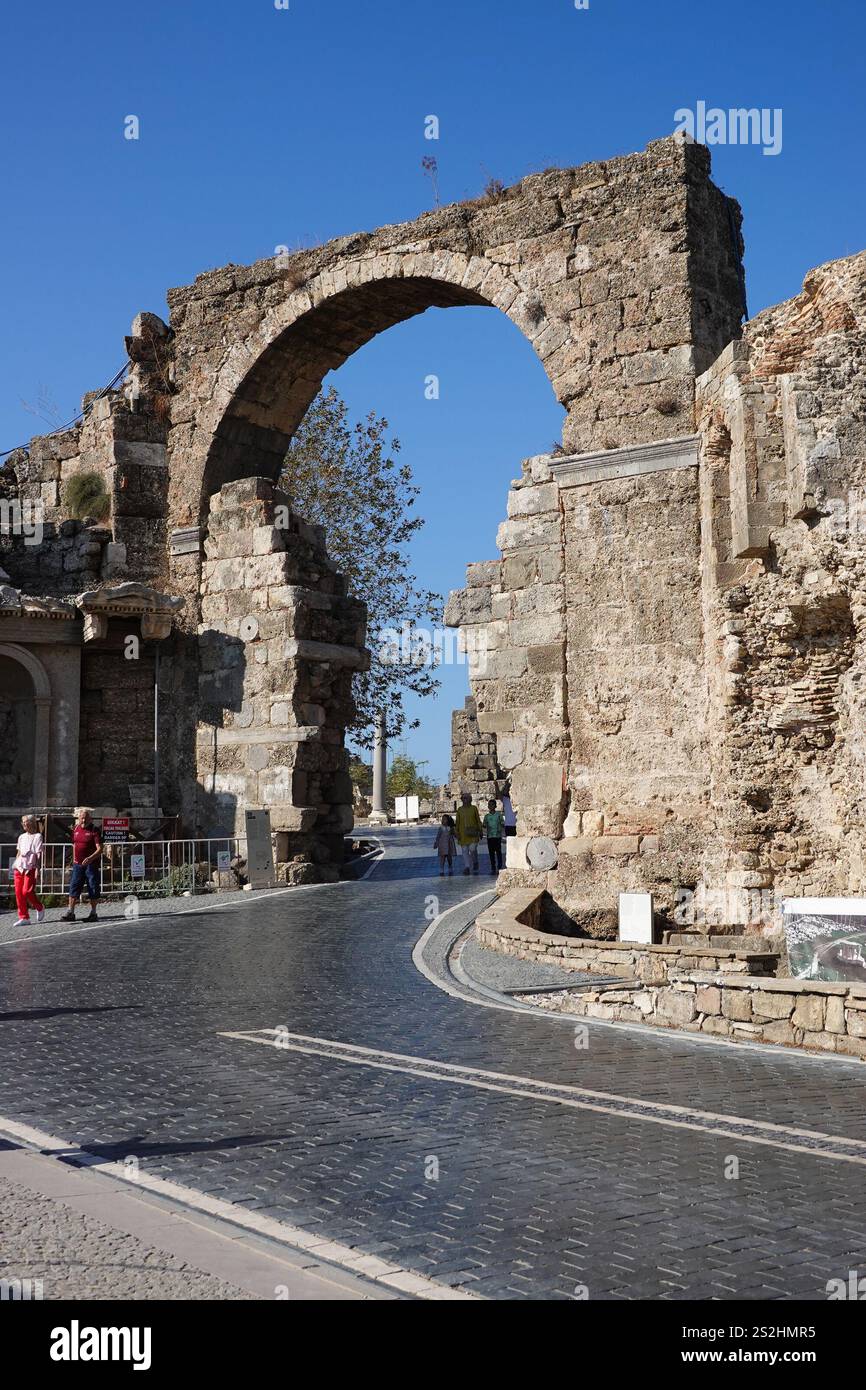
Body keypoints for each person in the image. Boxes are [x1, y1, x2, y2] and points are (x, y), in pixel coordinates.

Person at [61, 808, 102, 922]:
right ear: (78, 819)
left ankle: (93, 913)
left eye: (85, 818)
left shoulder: (94, 830)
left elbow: (99, 849)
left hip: (91, 865)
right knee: (74, 887)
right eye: (81, 818)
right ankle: (71, 912)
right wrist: (74, 859)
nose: (83, 820)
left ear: (90, 819)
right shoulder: (76, 829)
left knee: (92, 887)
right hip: (78, 865)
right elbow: (74, 845)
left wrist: (90, 858)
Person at [12, 814, 45, 926]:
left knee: (27, 891)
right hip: (19, 866)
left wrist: (38, 868)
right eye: (23, 822)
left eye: (26, 821)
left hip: (30, 866)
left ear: (32, 823)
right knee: (18, 893)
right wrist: (15, 865)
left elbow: (38, 854)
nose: (24, 824)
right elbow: (19, 853)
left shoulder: (38, 836)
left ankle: (39, 907)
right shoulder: (21, 837)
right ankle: (24, 917)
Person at [455, 793, 483, 875]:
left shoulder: (474, 808)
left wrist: (480, 830)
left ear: (470, 799)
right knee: (464, 851)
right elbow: (457, 822)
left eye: (466, 798)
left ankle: (475, 861)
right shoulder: (459, 810)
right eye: (463, 798)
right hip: (463, 834)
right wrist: (457, 832)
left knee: (472, 849)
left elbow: (478, 820)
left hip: (473, 833)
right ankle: (467, 867)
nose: (464, 799)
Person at [483, 799, 505, 873]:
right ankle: (493, 865)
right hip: (490, 836)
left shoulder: (499, 815)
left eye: (492, 804)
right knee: (491, 852)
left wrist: (501, 826)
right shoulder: (486, 816)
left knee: (498, 851)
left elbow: (502, 823)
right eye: (489, 805)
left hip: (497, 836)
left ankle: (499, 865)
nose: (490, 806)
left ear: (495, 806)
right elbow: (484, 825)